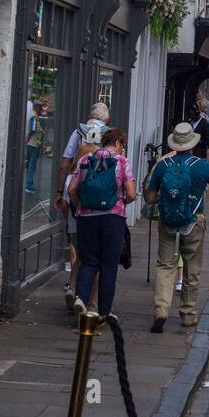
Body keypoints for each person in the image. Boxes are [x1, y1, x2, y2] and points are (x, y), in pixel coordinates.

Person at [144, 121, 209, 332]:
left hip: (167, 222)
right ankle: (188, 314)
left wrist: (167, 196)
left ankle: (161, 310)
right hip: (194, 222)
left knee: (165, 266)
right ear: (192, 143)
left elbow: (149, 197)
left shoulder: (163, 166)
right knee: (192, 268)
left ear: (174, 144)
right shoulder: (202, 166)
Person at [69, 125, 135, 320]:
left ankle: (80, 298)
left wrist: (81, 205)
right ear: (117, 142)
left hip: (86, 218)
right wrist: (121, 202)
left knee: (89, 261)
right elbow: (130, 193)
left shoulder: (84, 159)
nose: (122, 149)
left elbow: (72, 189)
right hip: (112, 218)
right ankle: (104, 311)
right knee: (108, 265)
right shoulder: (122, 161)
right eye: (122, 145)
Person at [55, 101, 110, 212]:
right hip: (102, 184)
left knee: (73, 219)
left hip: (77, 182)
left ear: (89, 116)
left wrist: (59, 192)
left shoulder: (78, 133)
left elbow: (65, 165)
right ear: (107, 120)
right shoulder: (110, 135)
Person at [25, 101, 45, 194]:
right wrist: (26, 142)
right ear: (35, 107)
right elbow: (31, 130)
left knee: (30, 165)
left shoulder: (33, 115)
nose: (41, 109)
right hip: (33, 144)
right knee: (31, 166)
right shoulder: (34, 116)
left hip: (32, 143)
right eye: (40, 107)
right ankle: (29, 185)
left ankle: (29, 183)